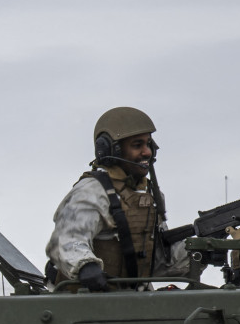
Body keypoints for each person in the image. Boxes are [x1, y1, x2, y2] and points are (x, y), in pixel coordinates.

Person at [46, 106, 188, 290]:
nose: (147, 152)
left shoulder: (148, 196)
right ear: (112, 150)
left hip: (129, 300)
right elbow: (67, 242)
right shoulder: (92, 191)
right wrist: (85, 266)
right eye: (137, 145)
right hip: (83, 302)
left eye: (148, 144)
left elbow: (158, 263)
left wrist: (200, 252)